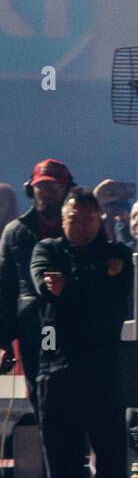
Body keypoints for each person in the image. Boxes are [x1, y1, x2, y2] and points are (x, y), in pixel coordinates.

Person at [29, 188, 132, 478]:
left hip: (101, 368)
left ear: (99, 219)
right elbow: (45, 287)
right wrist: (95, 278)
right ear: (63, 219)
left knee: (111, 450)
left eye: (90, 218)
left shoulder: (118, 253)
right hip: (56, 365)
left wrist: (71, 286)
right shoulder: (47, 249)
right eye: (75, 218)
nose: (83, 225)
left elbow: (112, 297)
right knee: (61, 453)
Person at [0, 159, 75, 417]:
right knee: (43, 388)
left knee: (68, 394)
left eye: (53, 188)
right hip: (37, 326)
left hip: (72, 325)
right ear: (31, 189)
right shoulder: (15, 232)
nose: (47, 194)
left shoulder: (78, 229)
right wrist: (4, 341)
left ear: (66, 190)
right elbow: (5, 288)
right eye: (42, 187)